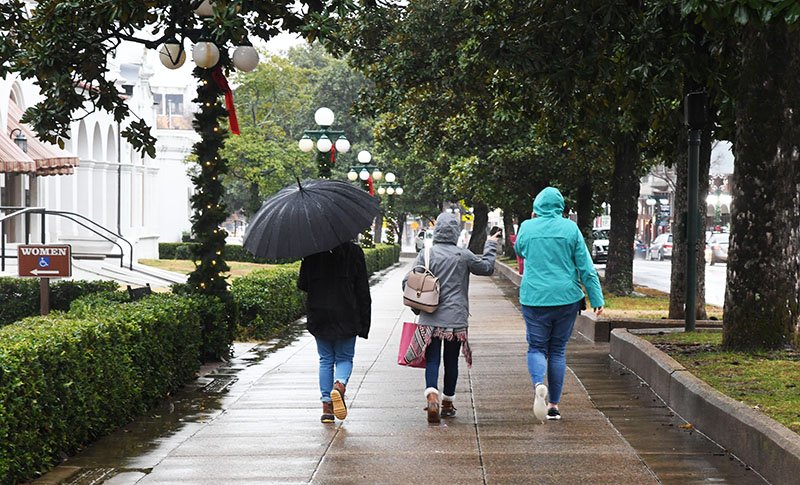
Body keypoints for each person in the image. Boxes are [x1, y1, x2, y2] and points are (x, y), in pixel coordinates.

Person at [514, 187, 604, 422]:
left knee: (536, 347)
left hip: (534, 298)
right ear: (561, 207)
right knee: (557, 351)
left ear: (536, 207)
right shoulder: (570, 228)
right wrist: (596, 298)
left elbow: (519, 250)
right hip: (566, 298)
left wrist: (533, 224)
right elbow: (585, 266)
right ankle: (553, 405)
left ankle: (538, 383)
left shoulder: (527, 227)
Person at [402, 213, 500, 423]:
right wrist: (491, 244)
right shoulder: (463, 255)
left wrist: (417, 309)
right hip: (455, 320)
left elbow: (407, 282)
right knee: (451, 361)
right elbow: (487, 268)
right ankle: (447, 403)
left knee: (433, 359)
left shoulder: (426, 254)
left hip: (430, 316)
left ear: (437, 231)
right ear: (456, 233)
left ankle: (431, 395)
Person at [297, 241, 371, 423]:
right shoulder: (353, 251)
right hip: (347, 313)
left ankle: (327, 407)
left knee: (325, 359)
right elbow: (362, 288)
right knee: (344, 358)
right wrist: (364, 321)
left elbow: (303, 284)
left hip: (319, 313)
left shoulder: (312, 251)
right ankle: (339, 385)